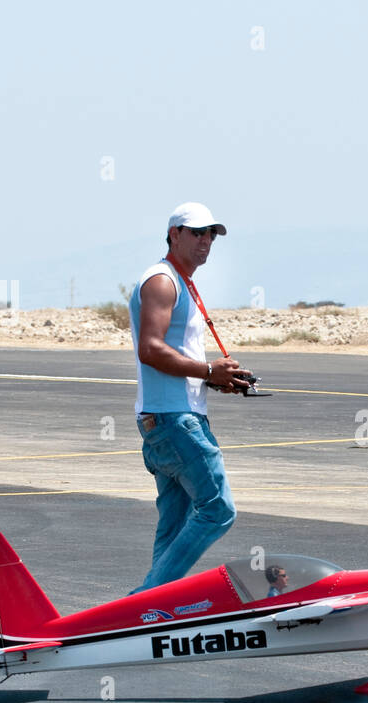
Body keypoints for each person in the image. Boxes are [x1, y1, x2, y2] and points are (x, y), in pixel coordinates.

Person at [128, 201, 252, 593]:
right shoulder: (163, 281)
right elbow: (150, 348)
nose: (205, 241)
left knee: (174, 531)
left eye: (211, 234)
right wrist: (207, 371)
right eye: (196, 233)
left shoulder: (180, 282)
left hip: (168, 419)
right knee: (217, 510)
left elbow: (171, 355)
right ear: (174, 234)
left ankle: (146, 607)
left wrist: (214, 379)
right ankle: (139, 607)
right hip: (174, 422)